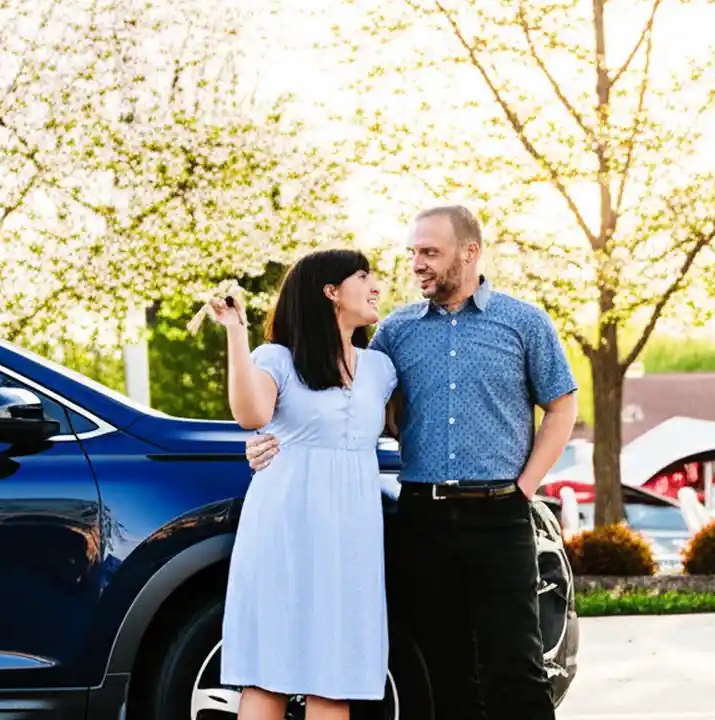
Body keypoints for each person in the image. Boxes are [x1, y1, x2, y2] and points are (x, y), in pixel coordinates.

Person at [245, 206, 579, 720]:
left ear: (469, 252)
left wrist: (525, 487)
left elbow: (561, 407)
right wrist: (270, 440)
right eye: (413, 253)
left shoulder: (523, 323)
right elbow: (347, 407)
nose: (416, 264)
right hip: (423, 517)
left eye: (429, 252)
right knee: (440, 669)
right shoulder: (395, 333)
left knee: (515, 667)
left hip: (500, 515)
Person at [212, 248, 397, 720]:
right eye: (363, 276)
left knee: (337, 678)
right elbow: (251, 414)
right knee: (269, 674)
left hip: (352, 533)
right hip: (285, 528)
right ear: (331, 292)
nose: (376, 285)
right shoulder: (277, 358)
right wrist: (236, 333)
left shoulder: (380, 369)